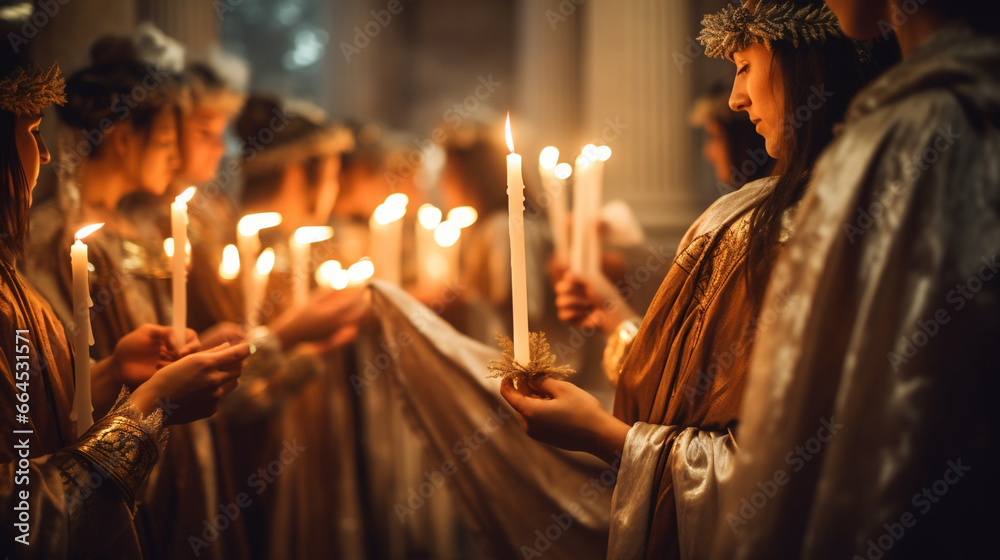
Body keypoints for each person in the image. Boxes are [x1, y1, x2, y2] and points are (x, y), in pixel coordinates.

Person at [501, 1, 891, 558]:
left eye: (744, 65)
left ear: (807, 64)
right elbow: (700, 383)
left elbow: (796, 471)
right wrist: (616, 317)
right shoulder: (757, 213)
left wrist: (604, 436)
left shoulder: (822, 230)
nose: (736, 98)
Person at [710, 1, 1000, 558]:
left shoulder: (907, 139)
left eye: (746, 66)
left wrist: (622, 445)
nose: (734, 98)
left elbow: (829, 449)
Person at [0, 45, 248, 560]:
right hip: (101, 480)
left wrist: (113, 369)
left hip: (145, 454)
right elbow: (39, 434)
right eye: (29, 133)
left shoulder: (148, 227)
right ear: (120, 139)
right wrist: (146, 399)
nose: (178, 157)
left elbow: (58, 381)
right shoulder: (52, 243)